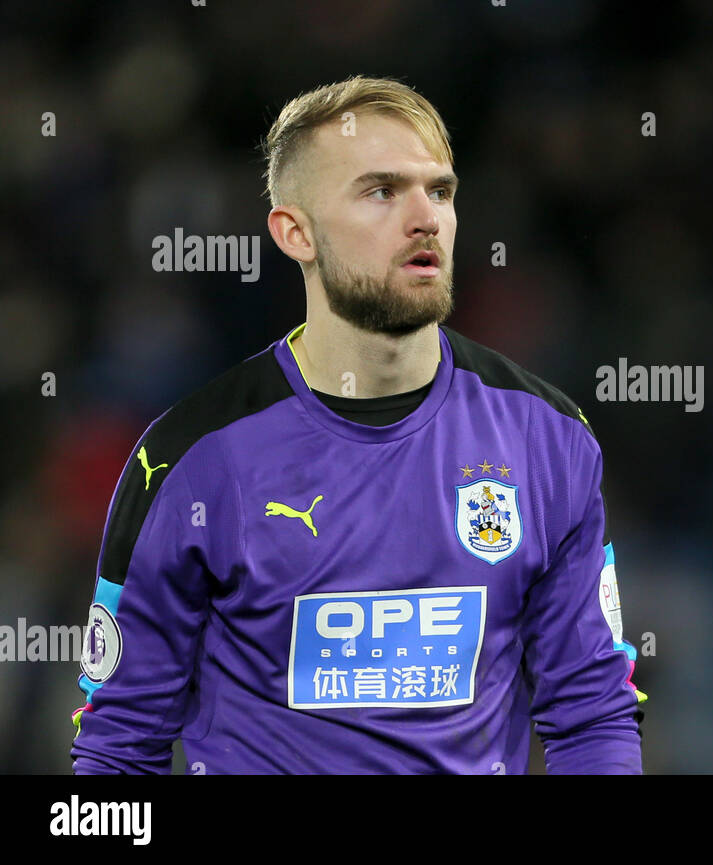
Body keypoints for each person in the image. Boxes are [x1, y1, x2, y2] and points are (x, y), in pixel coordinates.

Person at [69, 75, 646, 774]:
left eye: (439, 190)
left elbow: (592, 711)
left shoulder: (546, 437)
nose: (425, 218)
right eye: (381, 192)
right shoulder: (191, 459)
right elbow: (119, 745)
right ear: (295, 232)